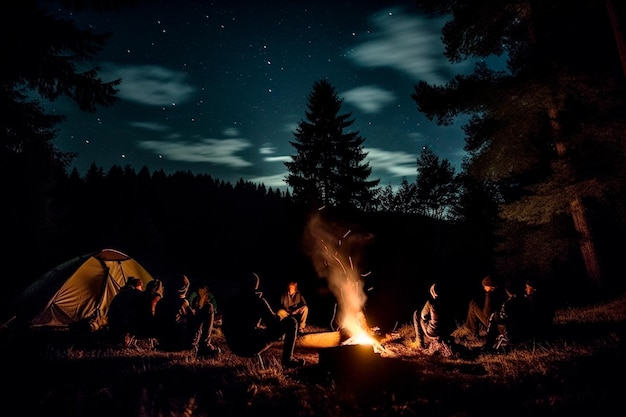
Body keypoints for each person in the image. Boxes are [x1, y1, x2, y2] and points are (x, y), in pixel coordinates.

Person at [221, 272, 305, 369]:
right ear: (255, 286)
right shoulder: (257, 301)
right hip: (251, 346)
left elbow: (225, 327)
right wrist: (279, 316)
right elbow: (273, 324)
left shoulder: (230, 302)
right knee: (291, 322)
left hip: (234, 345)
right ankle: (288, 360)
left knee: (259, 331)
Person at [154, 275, 220, 357]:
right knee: (209, 307)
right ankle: (205, 346)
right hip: (180, 343)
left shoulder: (160, 302)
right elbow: (192, 322)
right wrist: (196, 312)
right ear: (183, 289)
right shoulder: (182, 303)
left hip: (164, 342)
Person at [482, 280, 531, 352]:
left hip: (514, 334)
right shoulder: (526, 300)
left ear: (508, 291)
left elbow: (501, 318)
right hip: (528, 333)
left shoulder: (509, 303)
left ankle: (489, 344)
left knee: (494, 316)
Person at [412, 283, 457, 356]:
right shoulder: (450, 301)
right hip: (448, 330)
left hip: (434, 332)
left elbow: (423, 316)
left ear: (432, 292)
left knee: (416, 314)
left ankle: (419, 343)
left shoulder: (431, 302)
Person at [460, 276, 504, 340]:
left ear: (489, 286)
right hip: (500, 322)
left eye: (485, 286)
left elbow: (487, 313)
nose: (484, 288)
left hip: (492, 323)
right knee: (474, 305)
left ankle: (473, 332)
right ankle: (472, 331)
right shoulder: (500, 292)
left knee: (473, 304)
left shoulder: (490, 295)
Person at [107, 276, 144, 346]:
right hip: (125, 327)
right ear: (138, 286)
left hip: (112, 326)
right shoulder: (136, 294)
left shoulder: (119, 294)